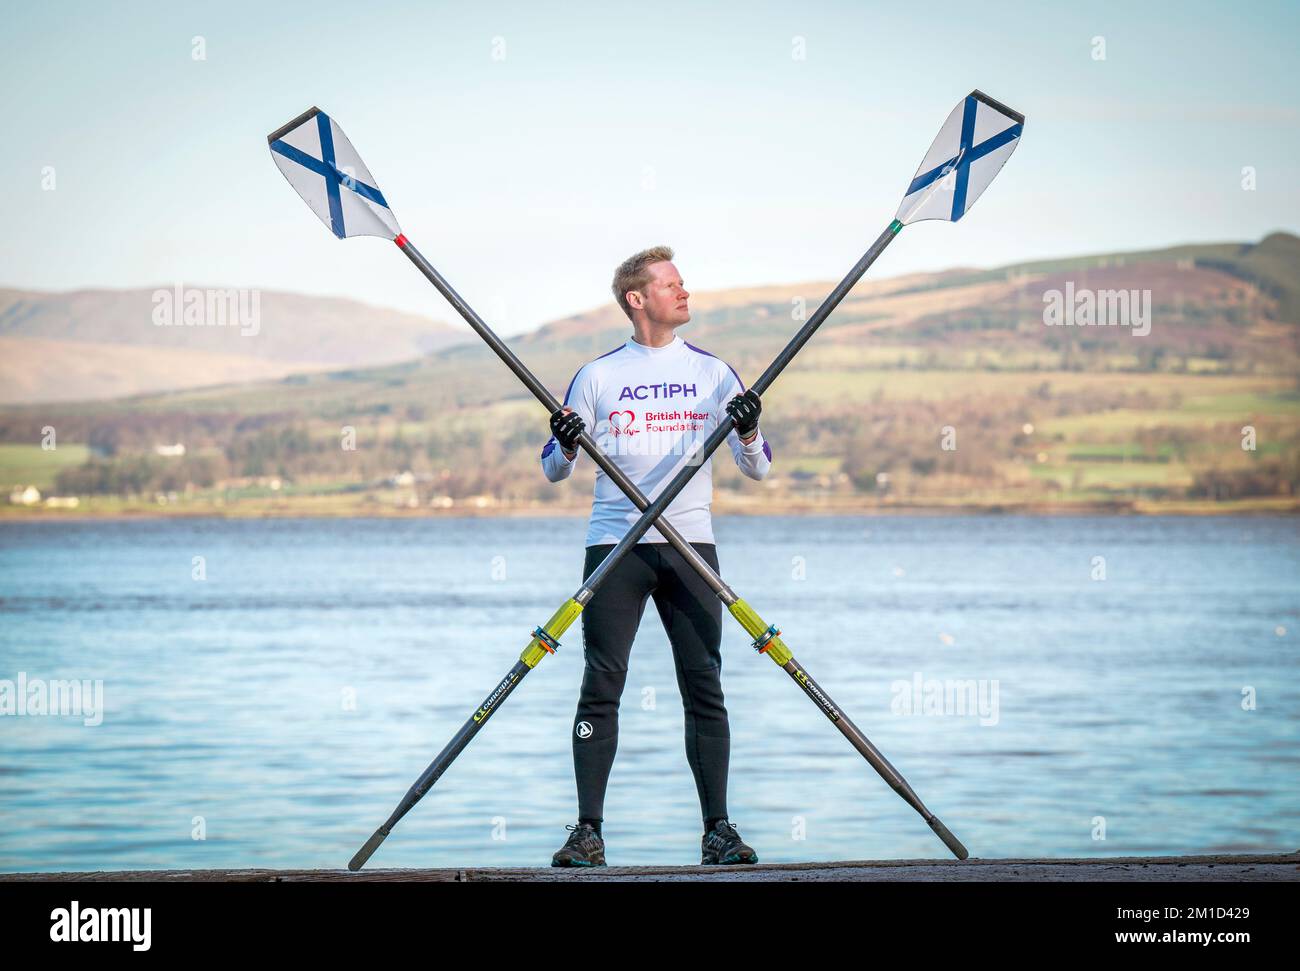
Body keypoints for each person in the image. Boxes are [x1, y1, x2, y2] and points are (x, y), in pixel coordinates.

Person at [540, 245, 772, 867]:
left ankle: (718, 832)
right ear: (636, 300)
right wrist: (564, 444)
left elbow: (760, 468)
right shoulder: (597, 375)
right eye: (671, 284)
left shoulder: (715, 372)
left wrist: (748, 430)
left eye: (683, 282)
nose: (685, 292)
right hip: (616, 548)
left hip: (690, 548)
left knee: (704, 685)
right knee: (601, 687)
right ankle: (587, 834)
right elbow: (554, 470)